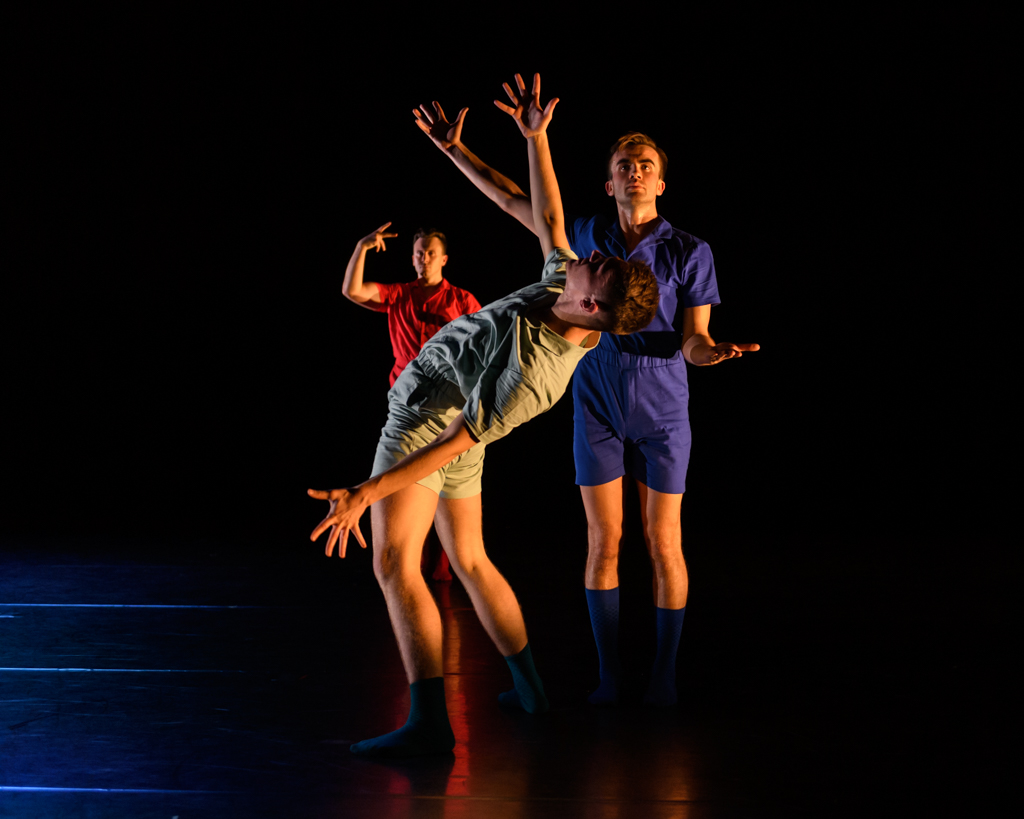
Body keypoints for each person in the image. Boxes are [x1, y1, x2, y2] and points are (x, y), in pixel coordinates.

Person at [309, 73, 659, 758]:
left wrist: (367, 491)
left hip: (429, 424)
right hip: (453, 423)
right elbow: (537, 209)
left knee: (391, 560)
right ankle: (531, 694)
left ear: (594, 308)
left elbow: (453, 439)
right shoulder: (568, 282)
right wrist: (522, 138)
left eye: (599, 271)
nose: (590, 259)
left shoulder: (540, 373)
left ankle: (431, 724)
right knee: (469, 556)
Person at [414, 74, 760, 707]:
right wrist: (454, 150)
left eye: (645, 165)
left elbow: (694, 339)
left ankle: (663, 679)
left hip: (663, 402)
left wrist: (712, 353)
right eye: (624, 165)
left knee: (663, 542)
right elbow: (514, 199)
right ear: (610, 181)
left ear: (661, 183)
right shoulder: (587, 238)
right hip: (597, 392)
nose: (634, 172)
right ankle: (608, 677)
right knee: (604, 543)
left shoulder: (689, 250)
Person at [342, 225, 482, 581]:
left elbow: (485, 347)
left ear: (444, 259)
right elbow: (352, 290)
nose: (424, 259)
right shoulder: (400, 294)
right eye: (419, 253)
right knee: (404, 484)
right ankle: (411, 558)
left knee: (445, 487)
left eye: (431, 253)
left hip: (448, 406)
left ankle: (445, 560)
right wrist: (362, 247)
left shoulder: (462, 301)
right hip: (407, 405)